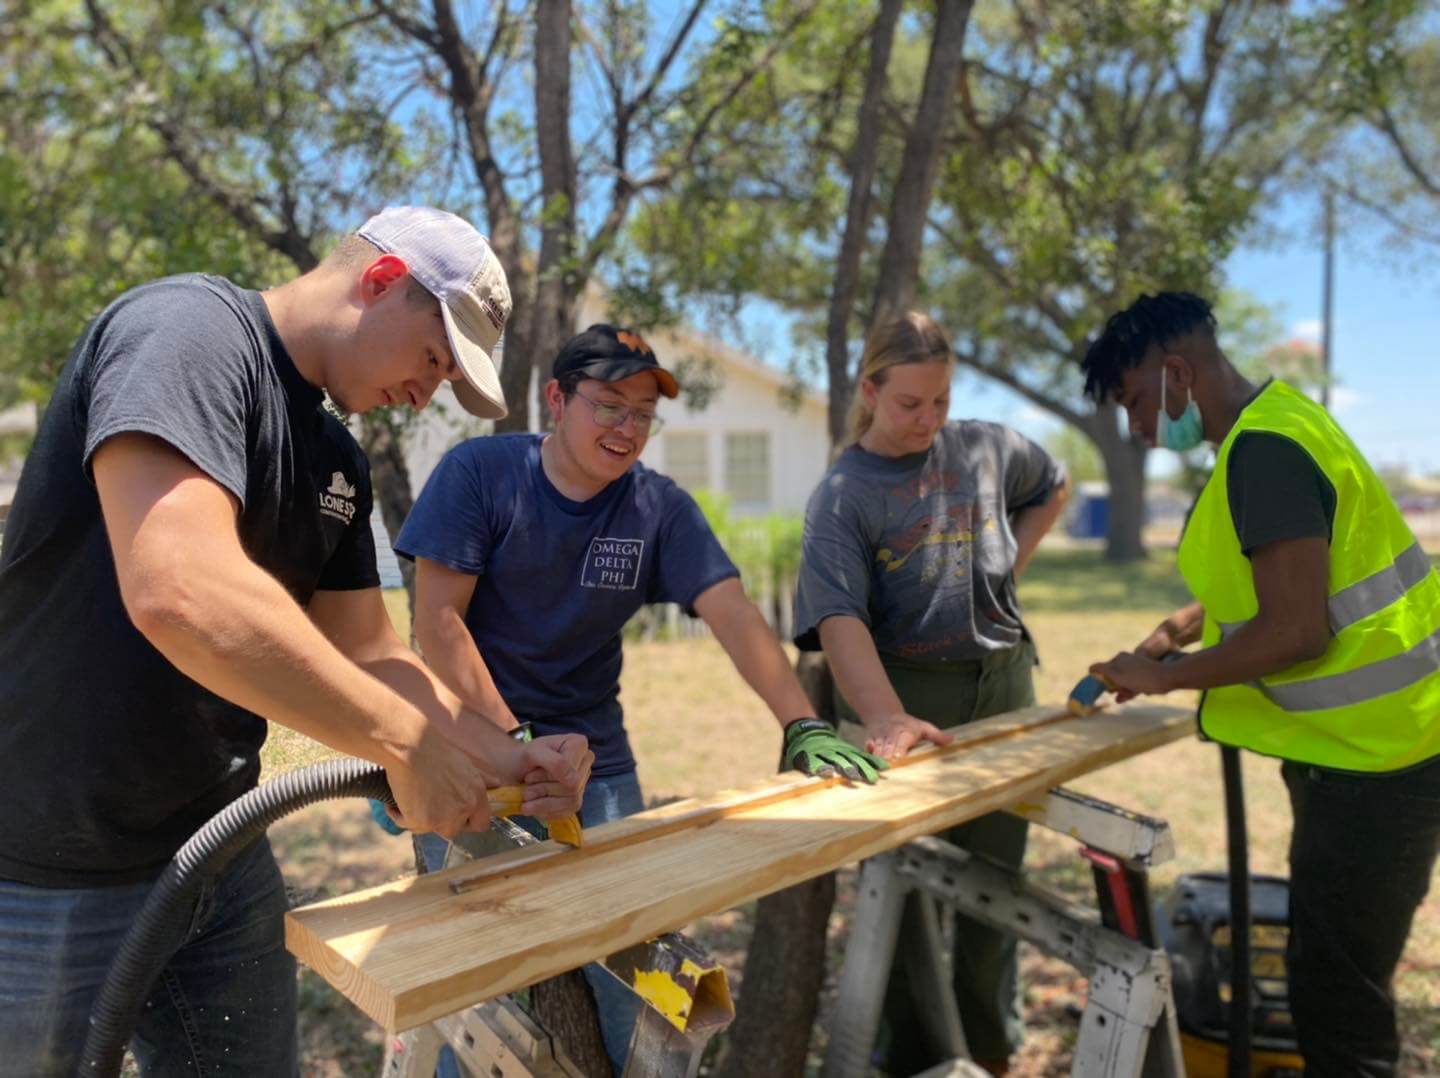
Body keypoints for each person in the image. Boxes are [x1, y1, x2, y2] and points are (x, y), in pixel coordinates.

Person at [0, 206, 592, 1078]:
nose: (426, 393)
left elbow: (375, 653)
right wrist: (403, 742)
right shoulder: (189, 332)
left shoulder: (336, 462)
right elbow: (178, 587)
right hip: (48, 857)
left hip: (217, 852)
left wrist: (508, 757)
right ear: (382, 280)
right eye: (434, 359)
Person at [393, 322, 884, 1071]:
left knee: (635, 982)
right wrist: (516, 752)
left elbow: (735, 614)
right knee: (485, 994)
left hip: (598, 767)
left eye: (643, 415)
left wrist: (803, 723)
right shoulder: (482, 474)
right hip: (474, 761)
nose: (627, 429)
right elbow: (438, 622)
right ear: (558, 399)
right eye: (609, 406)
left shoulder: (656, 509)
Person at [1080, 291, 1440, 1078]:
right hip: (1383, 750)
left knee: (1341, 1014)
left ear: (1177, 373)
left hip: (1376, 769)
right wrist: (1181, 626)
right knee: (1336, 981)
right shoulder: (1279, 423)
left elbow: (1296, 629)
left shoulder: (1263, 453)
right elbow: (1290, 566)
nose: (1137, 429)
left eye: (1136, 403)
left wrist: (1167, 676)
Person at [792, 311, 1070, 1076]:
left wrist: (1009, 568)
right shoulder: (844, 494)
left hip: (1005, 682)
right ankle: (909, 1060)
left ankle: (990, 1050)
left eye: (940, 400)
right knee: (909, 895)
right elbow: (838, 618)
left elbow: (1052, 483)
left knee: (998, 890)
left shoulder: (983, 445)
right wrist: (883, 716)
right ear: (869, 391)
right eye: (911, 403)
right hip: (904, 697)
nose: (928, 419)